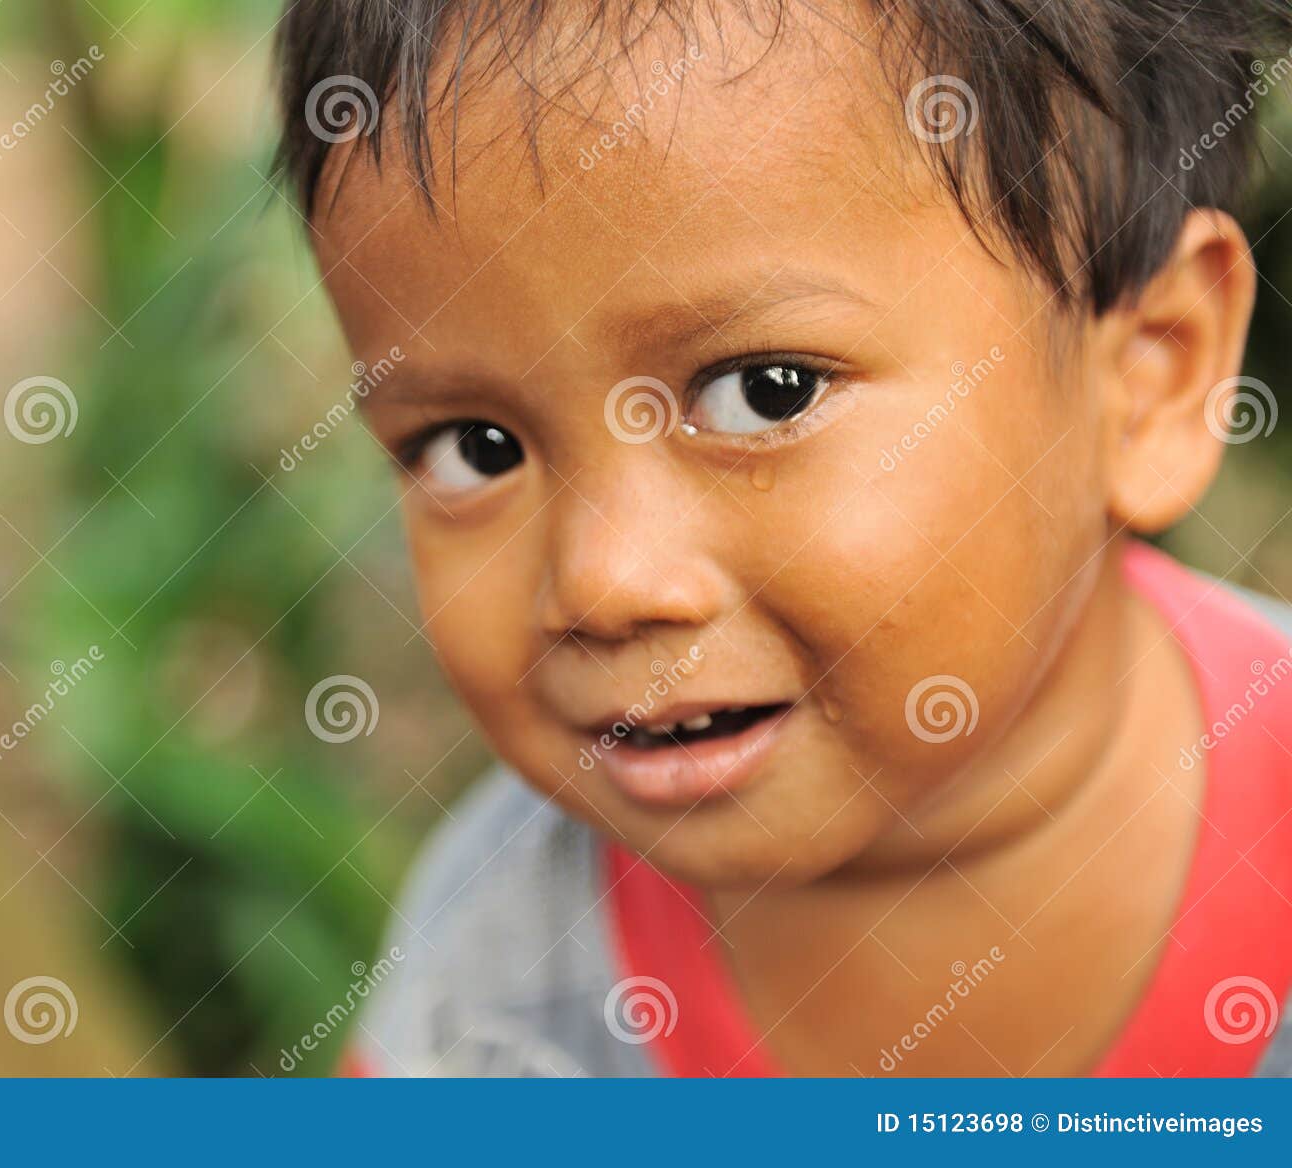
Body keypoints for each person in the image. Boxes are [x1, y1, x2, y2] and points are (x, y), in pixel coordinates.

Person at [272, 0, 1292, 1076]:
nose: (603, 580)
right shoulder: (502, 955)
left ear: (1148, 378)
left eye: (765, 392)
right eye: (473, 448)